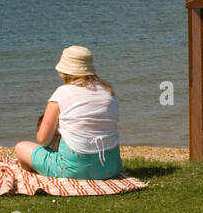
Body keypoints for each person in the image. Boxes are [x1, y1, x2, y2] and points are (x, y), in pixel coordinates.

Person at [14, 45, 122, 180]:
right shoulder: (108, 93)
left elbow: (42, 140)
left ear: (63, 71)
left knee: (21, 147)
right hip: (111, 168)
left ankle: (37, 174)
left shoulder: (62, 93)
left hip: (74, 170)